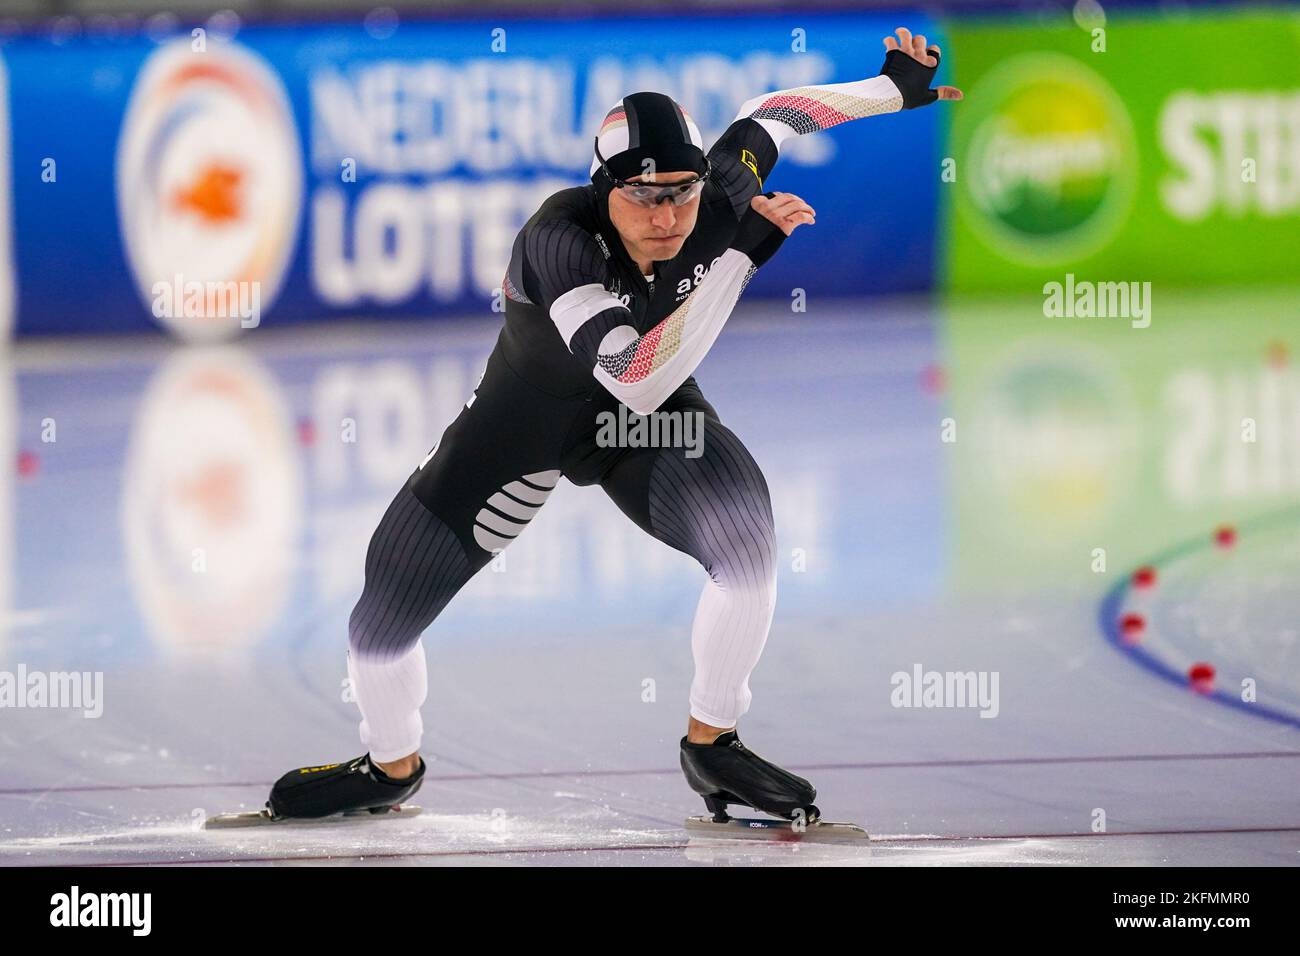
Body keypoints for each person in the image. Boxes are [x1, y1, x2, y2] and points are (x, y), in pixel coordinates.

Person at [266, 28, 962, 823]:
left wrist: (891, 90)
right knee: (377, 628)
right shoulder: (558, 243)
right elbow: (637, 377)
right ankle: (390, 766)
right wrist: (742, 258)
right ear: (603, 189)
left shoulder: (725, 187)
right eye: (642, 196)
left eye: (682, 194)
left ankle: (713, 744)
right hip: (522, 430)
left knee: (749, 547)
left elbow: (776, 115)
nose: (666, 216)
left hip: (640, 425)